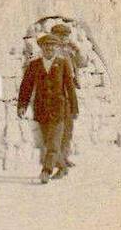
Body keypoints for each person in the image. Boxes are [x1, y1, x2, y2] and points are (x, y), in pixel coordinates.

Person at [17, 35, 79, 184]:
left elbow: (70, 87)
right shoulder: (34, 65)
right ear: (41, 48)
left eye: (52, 46)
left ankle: (46, 170)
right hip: (41, 109)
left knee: (53, 142)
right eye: (46, 46)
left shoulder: (63, 64)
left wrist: (74, 108)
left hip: (59, 109)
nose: (49, 48)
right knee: (47, 142)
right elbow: (26, 86)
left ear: (57, 48)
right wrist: (22, 105)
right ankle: (63, 167)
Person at [49, 23, 84, 166]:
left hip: (69, 93)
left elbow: (82, 63)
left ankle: (64, 157)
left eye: (66, 36)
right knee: (57, 128)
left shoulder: (69, 52)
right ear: (55, 36)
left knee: (68, 127)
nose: (65, 39)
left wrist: (77, 49)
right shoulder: (51, 52)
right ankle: (56, 159)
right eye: (62, 36)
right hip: (57, 94)